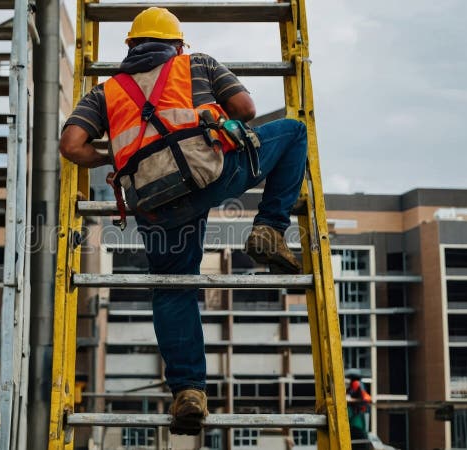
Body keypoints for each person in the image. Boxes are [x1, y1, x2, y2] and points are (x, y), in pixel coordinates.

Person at [59, 7, 308, 435]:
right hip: (211, 176)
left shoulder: (103, 93)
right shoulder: (197, 63)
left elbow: (70, 144)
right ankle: (268, 227)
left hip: (156, 205)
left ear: (132, 46)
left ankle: (188, 392)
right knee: (292, 134)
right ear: (176, 44)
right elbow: (246, 109)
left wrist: (114, 156)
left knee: (173, 289)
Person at [346, 372, 372, 445]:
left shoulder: (356, 384)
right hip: (357, 411)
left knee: (359, 429)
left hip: (358, 411)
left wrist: (350, 399)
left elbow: (360, 398)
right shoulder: (356, 385)